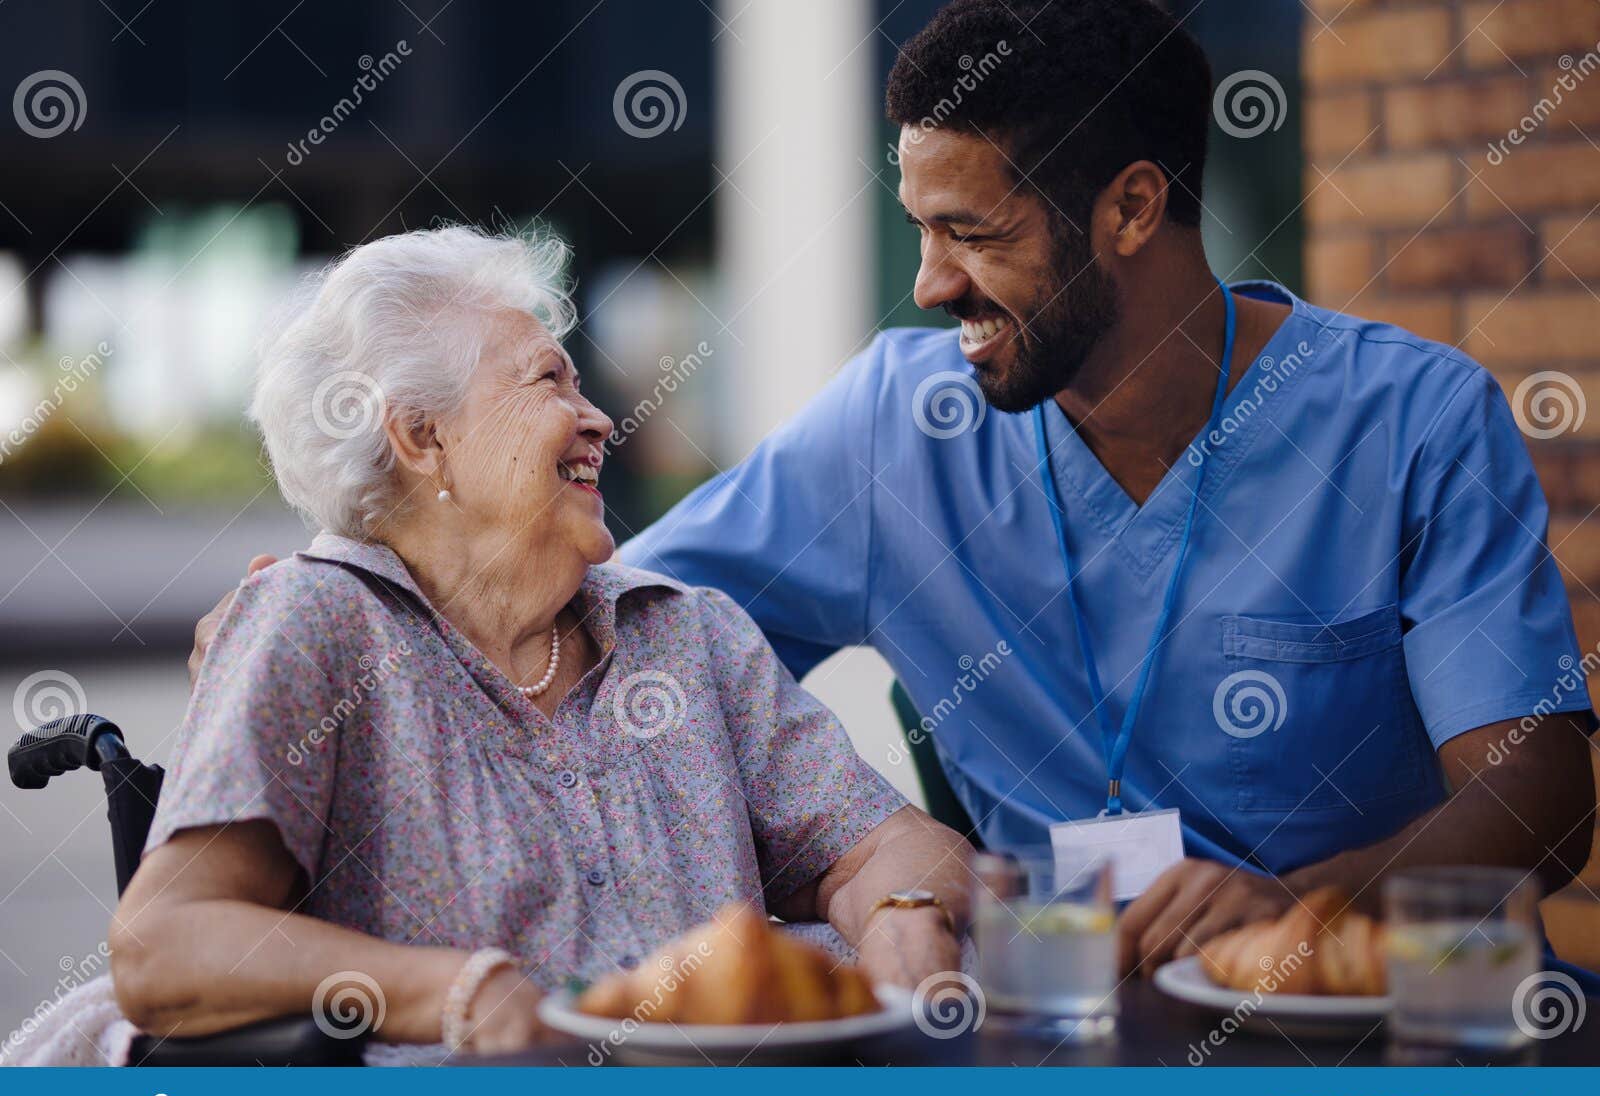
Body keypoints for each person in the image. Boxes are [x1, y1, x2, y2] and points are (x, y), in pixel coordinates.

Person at [192, 1, 1596, 982]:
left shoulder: (1413, 419)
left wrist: (1301, 897)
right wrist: (344, 576)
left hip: (1382, 1021)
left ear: (1130, 208)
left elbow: (1542, 785)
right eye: (916, 228)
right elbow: (585, 608)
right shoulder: (894, 424)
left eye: (970, 234)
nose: (927, 286)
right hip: (1073, 1028)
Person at [119, 226, 966, 1056]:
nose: (598, 418)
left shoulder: (684, 632)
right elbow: (166, 943)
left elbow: (886, 846)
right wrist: (458, 993)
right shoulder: (315, 621)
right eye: (548, 381)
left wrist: (905, 919)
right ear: (422, 437)